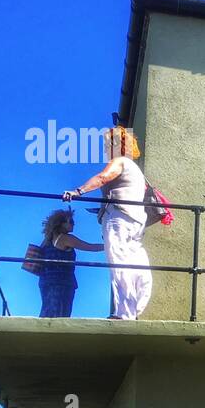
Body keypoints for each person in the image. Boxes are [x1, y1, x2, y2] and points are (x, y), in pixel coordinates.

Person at [63, 126, 153, 319]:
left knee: (118, 262)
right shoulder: (137, 171)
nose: (105, 149)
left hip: (118, 219)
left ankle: (124, 313)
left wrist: (77, 191)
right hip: (136, 220)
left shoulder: (119, 162)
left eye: (107, 145)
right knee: (135, 261)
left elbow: (103, 178)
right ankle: (136, 306)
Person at [36, 208, 103, 318]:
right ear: (61, 223)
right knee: (61, 314)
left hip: (46, 282)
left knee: (47, 312)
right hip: (62, 282)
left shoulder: (47, 240)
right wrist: (110, 246)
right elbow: (90, 247)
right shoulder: (65, 239)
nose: (73, 224)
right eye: (70, 221)